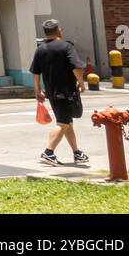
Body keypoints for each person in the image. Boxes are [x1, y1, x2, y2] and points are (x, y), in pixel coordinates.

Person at [30, 19, 89, 166]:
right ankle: (48, 152)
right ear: (58, 31)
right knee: (63, 123)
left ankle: (77, 153)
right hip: (66, 92)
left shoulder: (40, 49)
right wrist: (81, 84)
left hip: (51, 92)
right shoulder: (66, 46)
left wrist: (38, 91)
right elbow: (76, 67)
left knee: (67, 122)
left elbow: (35, 73)